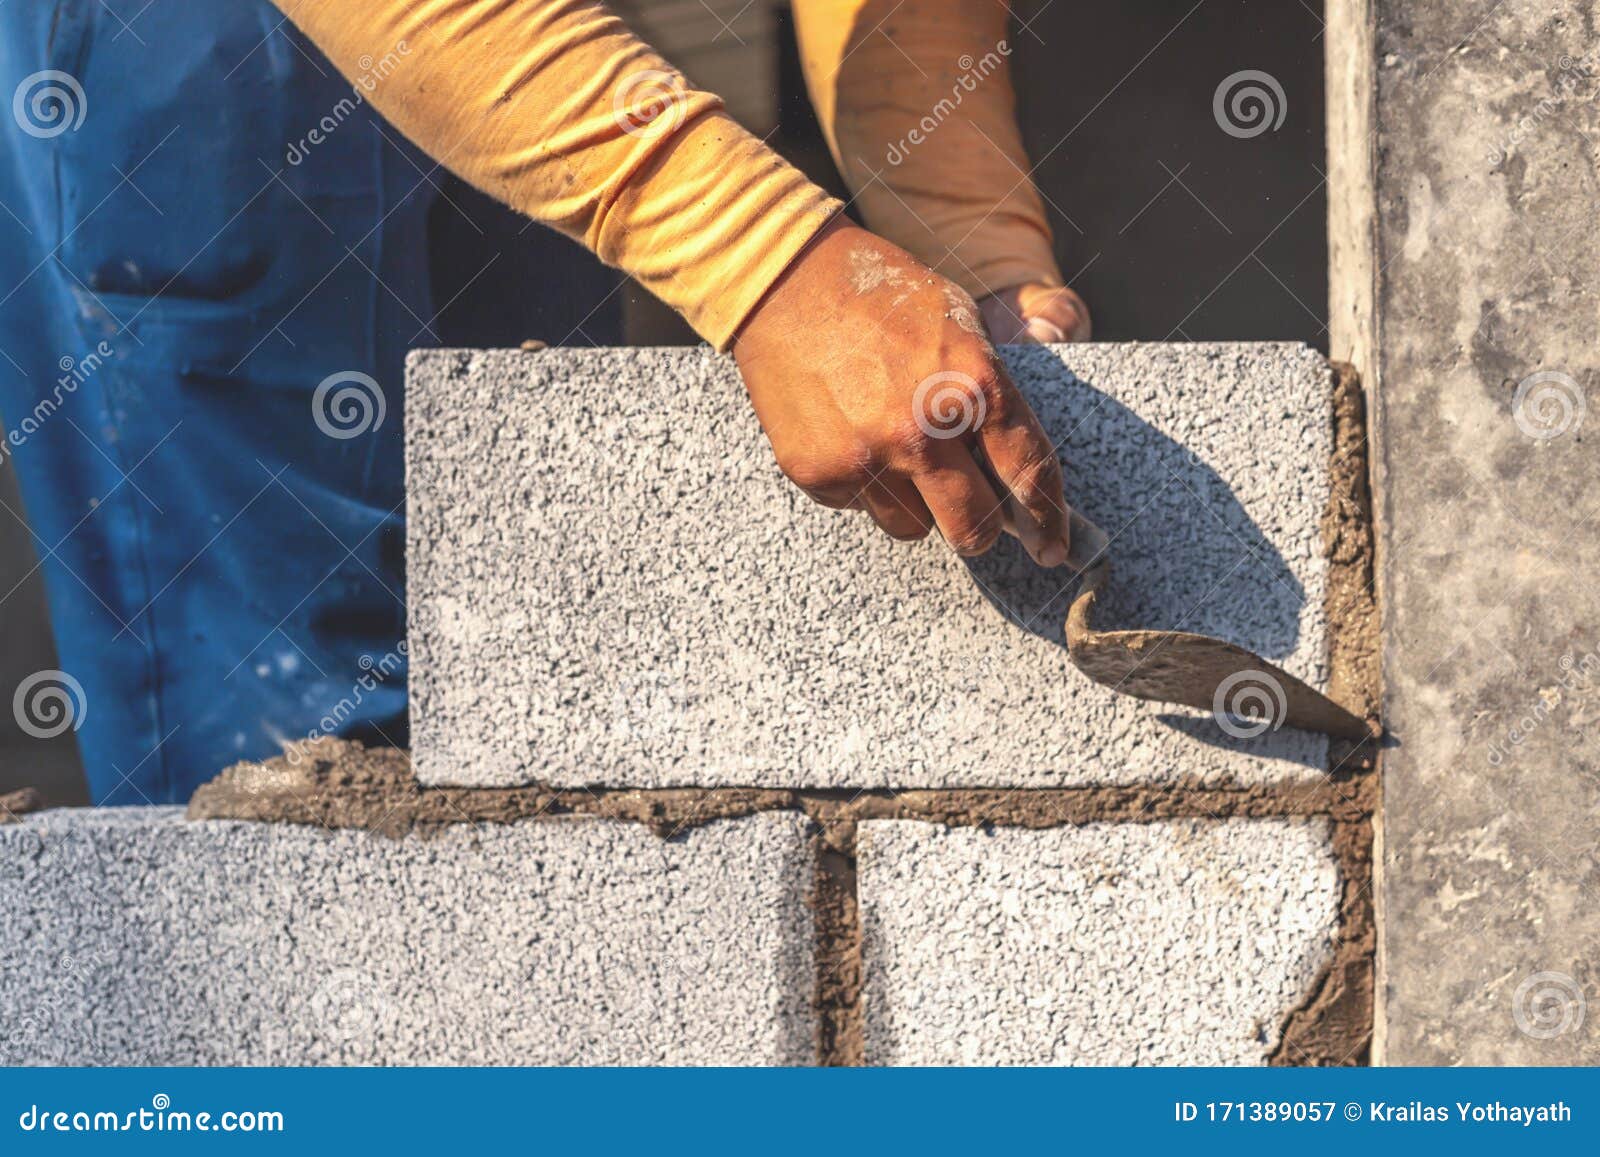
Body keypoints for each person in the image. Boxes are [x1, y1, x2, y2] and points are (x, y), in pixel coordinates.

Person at [0, 0, 1089, 802]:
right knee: (309, 772)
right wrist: (771, 262)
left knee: (529, 706)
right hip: (216, 65)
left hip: (528, 52)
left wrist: (974, 254)